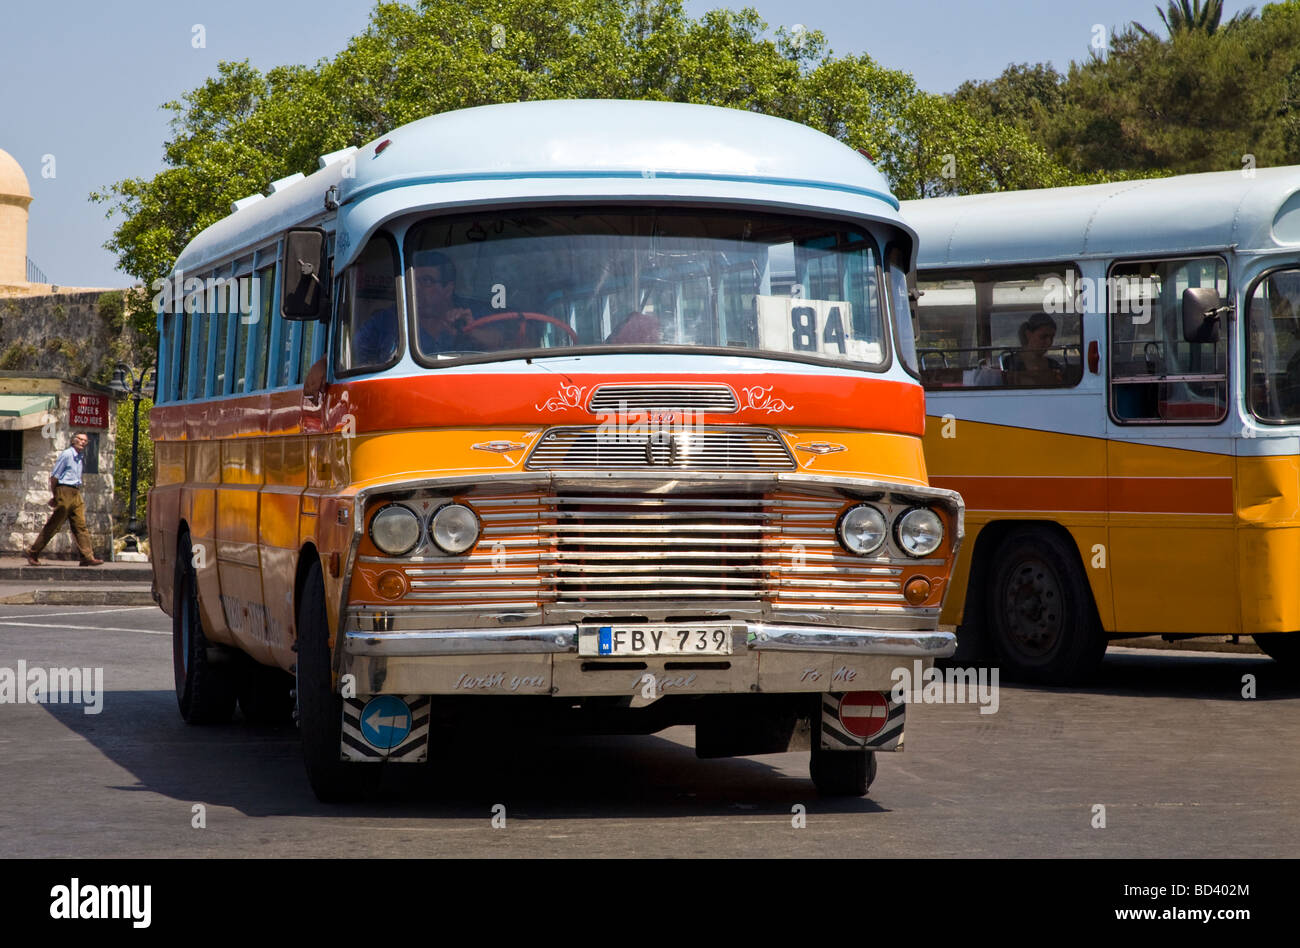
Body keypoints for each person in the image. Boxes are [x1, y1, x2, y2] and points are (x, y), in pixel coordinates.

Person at [352, 250, 486, 364]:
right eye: (412, 281)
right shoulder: (386, 320)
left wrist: (469, 332)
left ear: (448, 289)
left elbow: (502, 340)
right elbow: (353, 355)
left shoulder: (469, 312)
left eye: (426, 281)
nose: (416, 288)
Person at [26, 432, 102, 566]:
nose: (83, 442)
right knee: (55, 524)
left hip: (75, 492)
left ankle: (86, 556)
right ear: (73, 441)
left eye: (85, 440)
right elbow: (54, 476)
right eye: (80, 439)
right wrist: (55, 495)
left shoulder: (80, 456)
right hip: (64, 489)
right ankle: (33, 552)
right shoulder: (67, 454)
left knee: (80, 525)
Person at [1007, 312, 1063, 386]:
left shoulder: (1054, 365)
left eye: (1052, 337)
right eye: (1043, 337)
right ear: (1028, 334)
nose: (1049, 342)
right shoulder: (1011, 363)